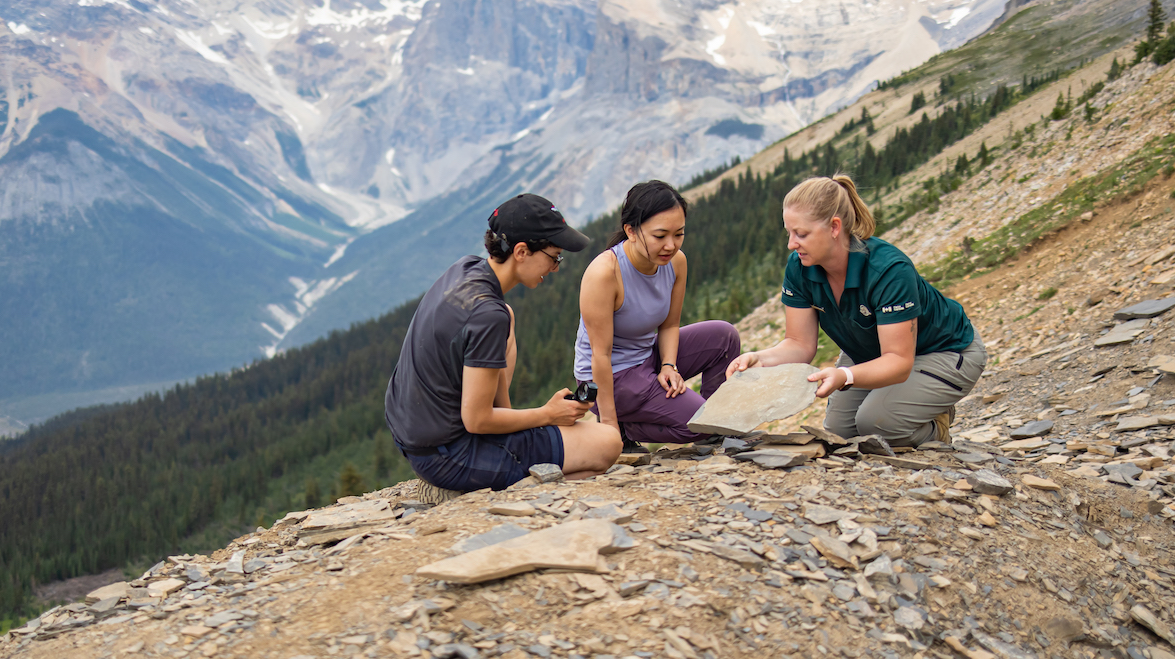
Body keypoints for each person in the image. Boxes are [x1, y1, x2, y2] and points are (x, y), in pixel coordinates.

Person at [385, 193, 622, 499]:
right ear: (522, 251)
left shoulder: (466, 269)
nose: (555, 268)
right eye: (554, 257)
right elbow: (477, 419)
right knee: (608, 443)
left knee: (506, 315)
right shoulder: (487, 315)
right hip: (447, 455)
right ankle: (482, 488)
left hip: (416, 437)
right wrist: (547, 414)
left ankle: (508, 442)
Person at [726, 175, 986, 446]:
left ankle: (936, 424)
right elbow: (799, 343)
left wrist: (845, 376)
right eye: (789, 233)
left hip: (944, 352)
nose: (791, 244)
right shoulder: (800, 266)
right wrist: (760, 359)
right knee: (841, 435)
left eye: (801, 234)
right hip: (873, 353)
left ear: (835, 227)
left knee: (876, 424)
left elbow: (898, 361)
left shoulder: (889, 270)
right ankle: (906, 405)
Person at [573, 180, 741, 449]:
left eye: (679, 234)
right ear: (631, 231)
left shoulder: (676, 262)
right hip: (613, 377)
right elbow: (600, 356)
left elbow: (670, 324)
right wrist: (609, 426)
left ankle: (716, 426)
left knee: (724, 337)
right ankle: (628, 429)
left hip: (649, 357)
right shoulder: (605, 273)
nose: (670, 245)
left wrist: (668, 366)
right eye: (660, 236)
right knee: (701, 425)